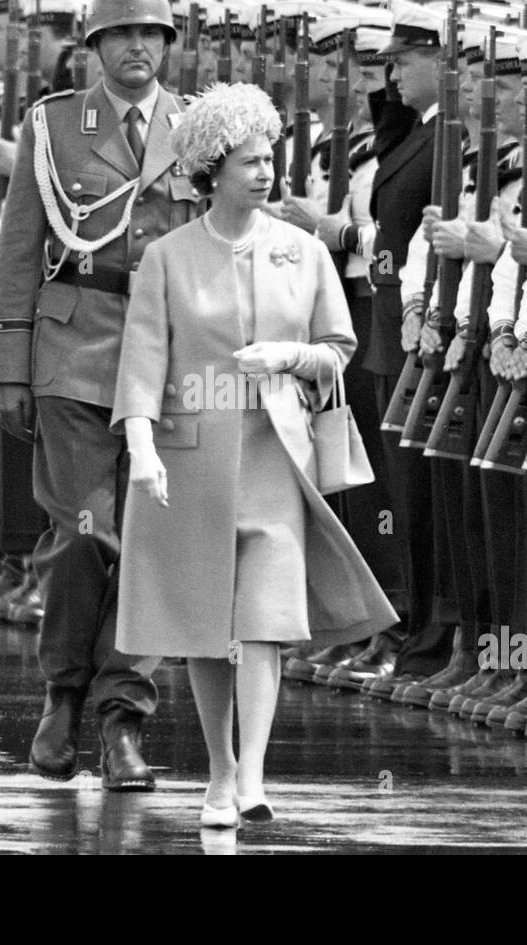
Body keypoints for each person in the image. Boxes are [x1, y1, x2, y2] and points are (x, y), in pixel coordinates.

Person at [111, 82, 399, 827]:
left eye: (270, 157)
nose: (266, 172)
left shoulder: (301, 249)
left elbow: (340, 346)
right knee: (206, 624)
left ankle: (255, 776)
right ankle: (219, 770)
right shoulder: (167, 257)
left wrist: (292, 355)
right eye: (248, 161)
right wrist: (141, 443)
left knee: (267, 621)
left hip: (277, 457)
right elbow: (144, 360)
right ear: (210, 168)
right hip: (193, 456)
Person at [0, 0, 198, 790]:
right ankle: (63, 690)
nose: (139, 48)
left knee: (151, 542)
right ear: (95, 48)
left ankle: (121, 721)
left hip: (170, 355)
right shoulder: (53, 126)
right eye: (122, 35)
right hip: (74, 348)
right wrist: (10, 365)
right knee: (82, 534)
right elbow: (17, 249)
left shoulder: (198, 126)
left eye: (152, 35)